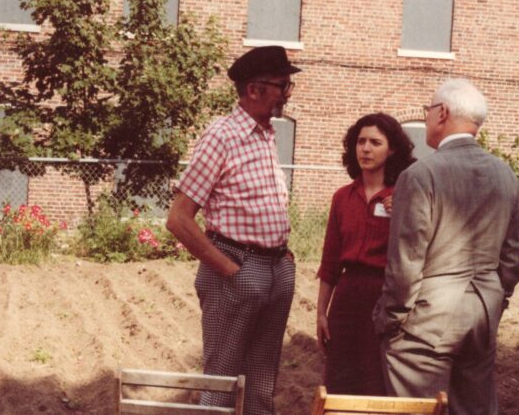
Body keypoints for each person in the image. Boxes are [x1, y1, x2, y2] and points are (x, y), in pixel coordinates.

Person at [372, 78, 519, 415]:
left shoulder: (421, 174)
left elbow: (406, 262)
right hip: (482, 316)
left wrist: (392, 318)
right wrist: (495, 301)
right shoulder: (505, 175)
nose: (426, 118)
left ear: (442, 113)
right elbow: (512, 260)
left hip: (426, 321)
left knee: (419, 410)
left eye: (428, 111)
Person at [166, 46, 301, 415]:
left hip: (275, 269)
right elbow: (179, 218)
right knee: (221, 384)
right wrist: (229, 270)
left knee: (261, 385)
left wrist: (282, 258)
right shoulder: (221, 136)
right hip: (237, 268)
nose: (287, 93)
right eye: (282, 85)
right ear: (255, 89)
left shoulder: (266, 134)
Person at [316, 112, 416, 395]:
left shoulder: (404, 197)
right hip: (347, 298)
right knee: (340, 379)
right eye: (360, 142)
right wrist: (322, 312)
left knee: (376, 380)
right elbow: (330, 261)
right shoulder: (342, 197)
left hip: (384, 295)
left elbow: (416, 249)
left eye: (375, 142)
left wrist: (404, 216)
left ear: (392, 148)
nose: (366, 149)